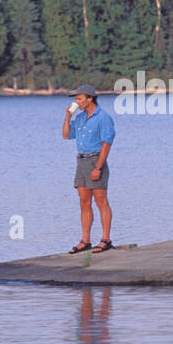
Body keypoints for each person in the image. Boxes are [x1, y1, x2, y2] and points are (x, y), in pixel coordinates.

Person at [61, 84, 115, 254]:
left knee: (101, 201)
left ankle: (105, 239)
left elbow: (107, 144)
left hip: (95, 161)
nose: (77, 102)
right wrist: (68, 117)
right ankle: (85, 241)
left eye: (79, 99)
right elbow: (66, 135)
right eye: (76, 99)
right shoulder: (80, 117)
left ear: (89, 98)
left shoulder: (103, 117)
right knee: (84, 202)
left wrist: (98, 167)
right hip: (81, 162)